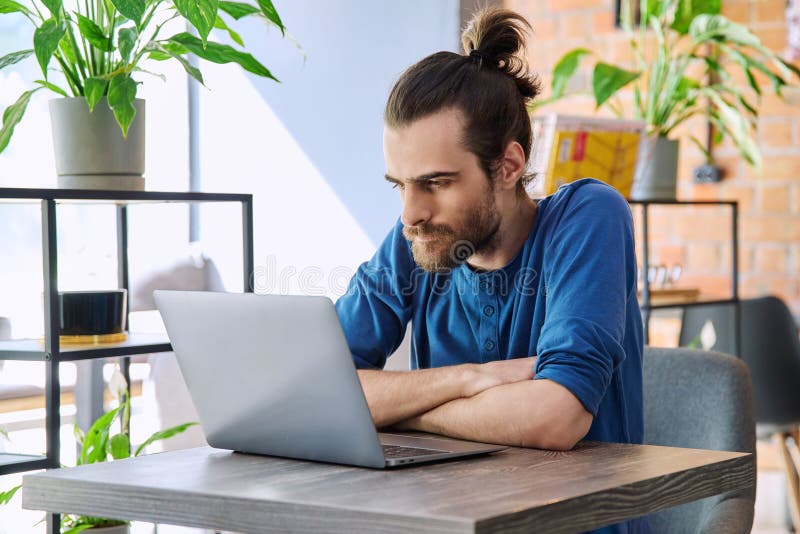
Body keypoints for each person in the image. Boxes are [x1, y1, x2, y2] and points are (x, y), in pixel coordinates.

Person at [336, 8, 646, 532]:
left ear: (507, 166)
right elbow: (322, 387)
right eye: (400, 184)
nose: (410, 212)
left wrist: (398, 404)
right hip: (449, 521)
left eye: (435, 182)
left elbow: (556, 417)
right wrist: (469, 380)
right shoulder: (421, 236)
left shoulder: (590, 216)